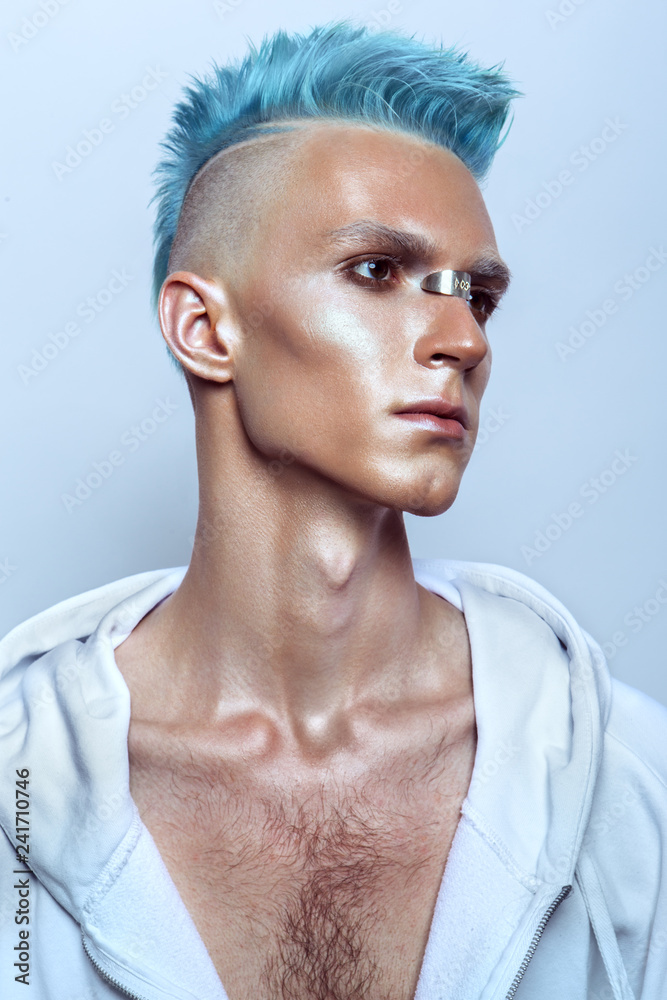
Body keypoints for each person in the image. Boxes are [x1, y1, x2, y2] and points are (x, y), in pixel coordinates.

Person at [0, 22, 665, 1000]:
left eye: (477, 294)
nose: (461, 340)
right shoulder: (20, 781)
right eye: (376, 272)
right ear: (204, 327)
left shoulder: (629, 780)